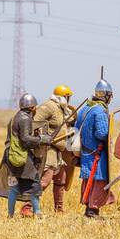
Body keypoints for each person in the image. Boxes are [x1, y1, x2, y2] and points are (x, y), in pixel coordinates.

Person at [2, 93, 51, 217]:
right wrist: (41, 139)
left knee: (14, 186)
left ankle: (10, 214)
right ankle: (38, 213)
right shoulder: (25, 119)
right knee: (34, 184)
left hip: (11, 156)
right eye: (34, 107)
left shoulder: (14, 118)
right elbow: (25, 140)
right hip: (21, 157)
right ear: (31, 108)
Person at [34, 84, 77, 213]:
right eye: (67, 97)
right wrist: (44, 136)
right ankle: (29, 206)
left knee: (61, 180)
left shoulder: (63, 109)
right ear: (63, 97)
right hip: (49, 149)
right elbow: (35, 122)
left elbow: (68, 121)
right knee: (45, 181)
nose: (69, 100)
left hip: (60, 151)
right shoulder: (49, 107)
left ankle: (59, 209)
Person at [75, 79, 113, 218]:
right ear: (106, 95)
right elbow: (102, 134)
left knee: (89, 180)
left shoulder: (84, 108)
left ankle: (88, 208)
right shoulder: (100, 111)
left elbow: (76, 128)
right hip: (97, 152)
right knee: (98, 181)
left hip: (86, 152)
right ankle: (93, 210)